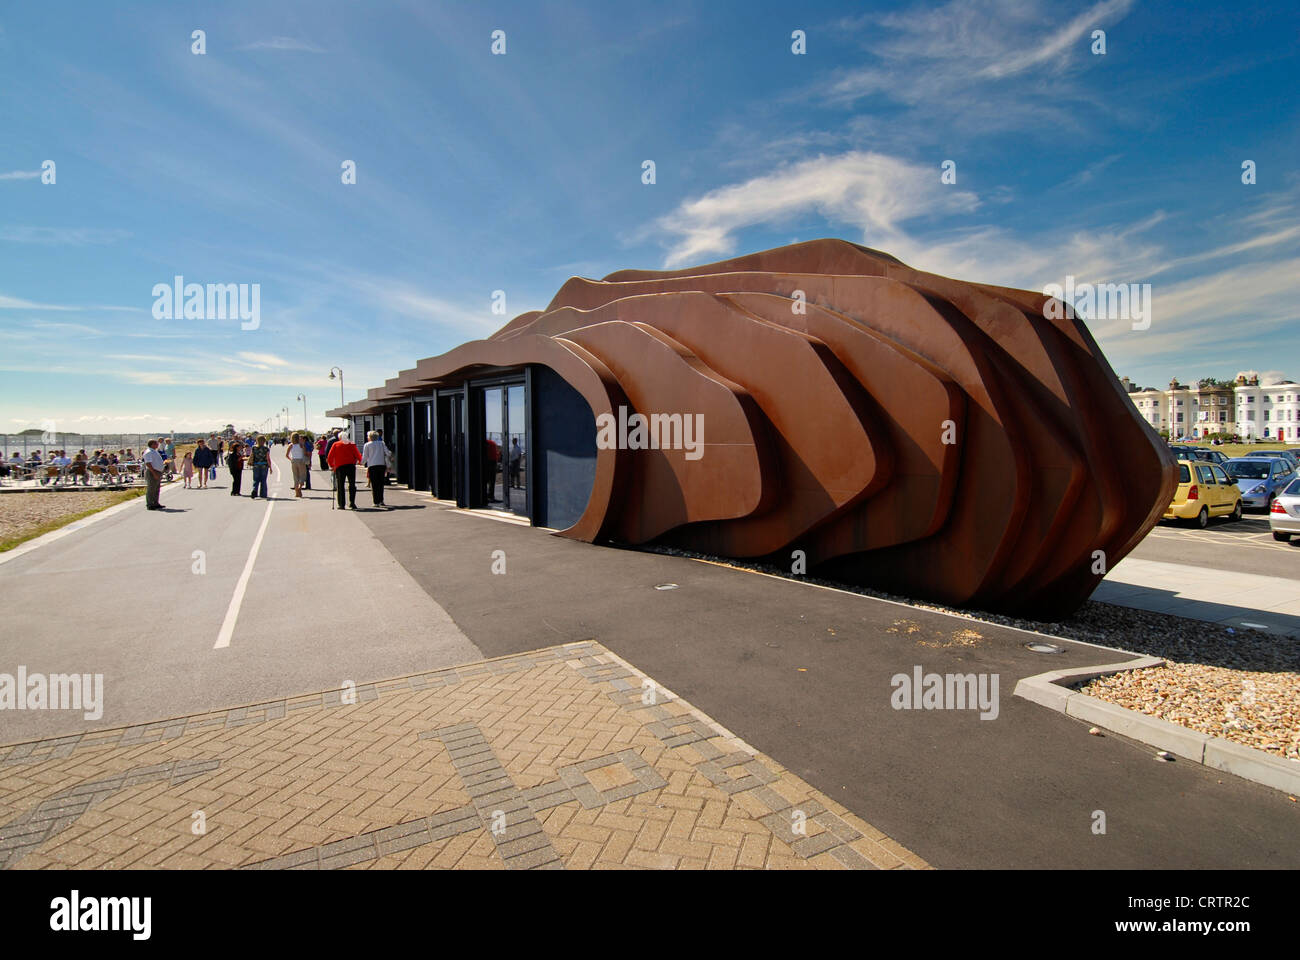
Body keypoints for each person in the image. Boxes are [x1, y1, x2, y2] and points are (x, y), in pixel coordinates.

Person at [327, 430, 361, 509]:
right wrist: (360, 461)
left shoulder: (336, 444)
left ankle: (341, 504)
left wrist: (332, 466)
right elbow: (357, 454)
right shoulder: (352, 444)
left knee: (340, 486)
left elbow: (330, 457)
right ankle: (352, 503)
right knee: (352, 485)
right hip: (351, 466)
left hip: (340, 467)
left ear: (339, 438)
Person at [360, 430, 390, 508]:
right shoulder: (382, 443)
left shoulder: (367, 445)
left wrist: (361, 462)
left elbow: (365, 456)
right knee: (381, 483)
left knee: (374, 484)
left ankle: (375, 501)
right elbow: (388, 453)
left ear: (370, 437)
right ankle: (381, 500)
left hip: (372, 466)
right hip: (381, 465)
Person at [142, 439, 165, 510]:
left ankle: (155, 503)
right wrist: (154, 473)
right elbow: (148, 463)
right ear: (152, 444)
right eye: (156, 444)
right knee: (151, 488)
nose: (157, 445)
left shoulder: (154, 451)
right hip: (152, 472)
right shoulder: (149, 452)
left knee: (156, 488)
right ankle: (150, 504)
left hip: (158, 471)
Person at [286, 432, 308, 498]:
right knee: (302, 475)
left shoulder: (291, 445)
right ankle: (299, 488)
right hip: (301, 460)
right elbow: (304, 453)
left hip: (294, 461)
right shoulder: (301, 445)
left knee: (295, 477)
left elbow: (286, 455)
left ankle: (296, 493)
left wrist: (291, 460)